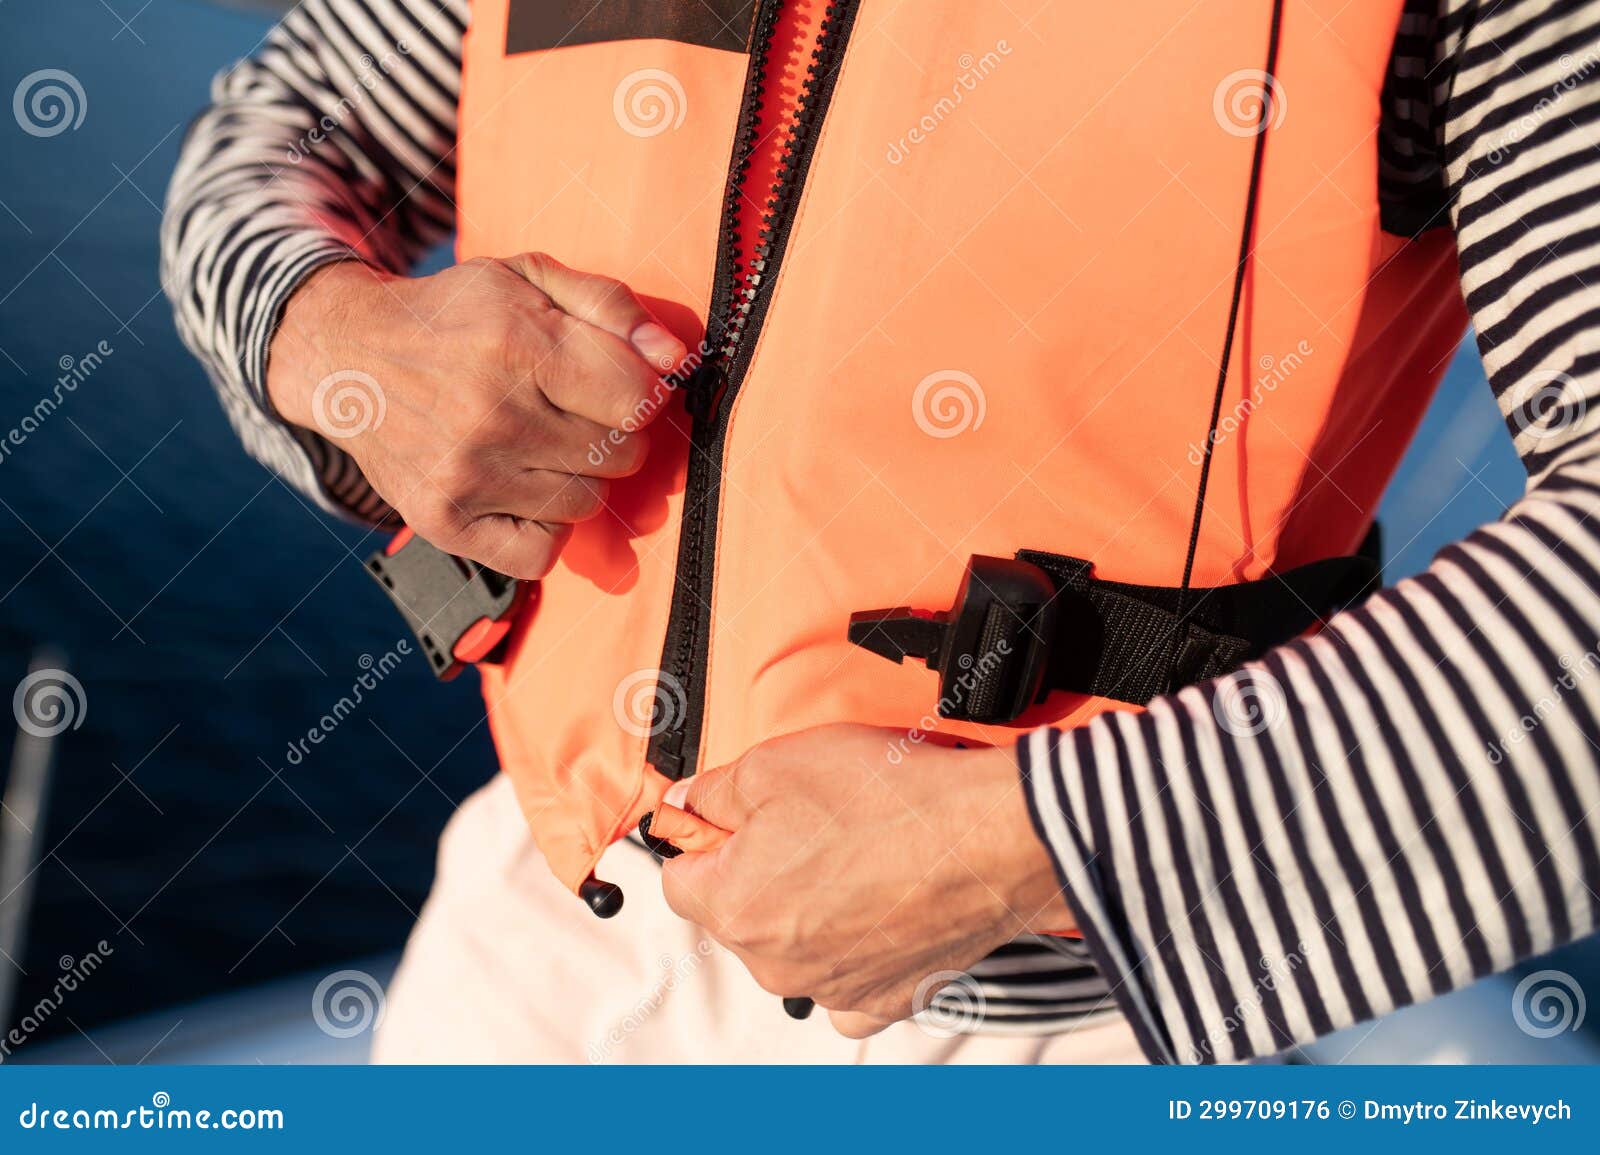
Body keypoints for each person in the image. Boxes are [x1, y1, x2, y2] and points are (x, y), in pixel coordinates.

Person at [163, 0, 1600, 1064]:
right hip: (543, 935)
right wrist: (327, 332)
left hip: (1066, 1022)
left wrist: (1027, 841)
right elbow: (284, 126)